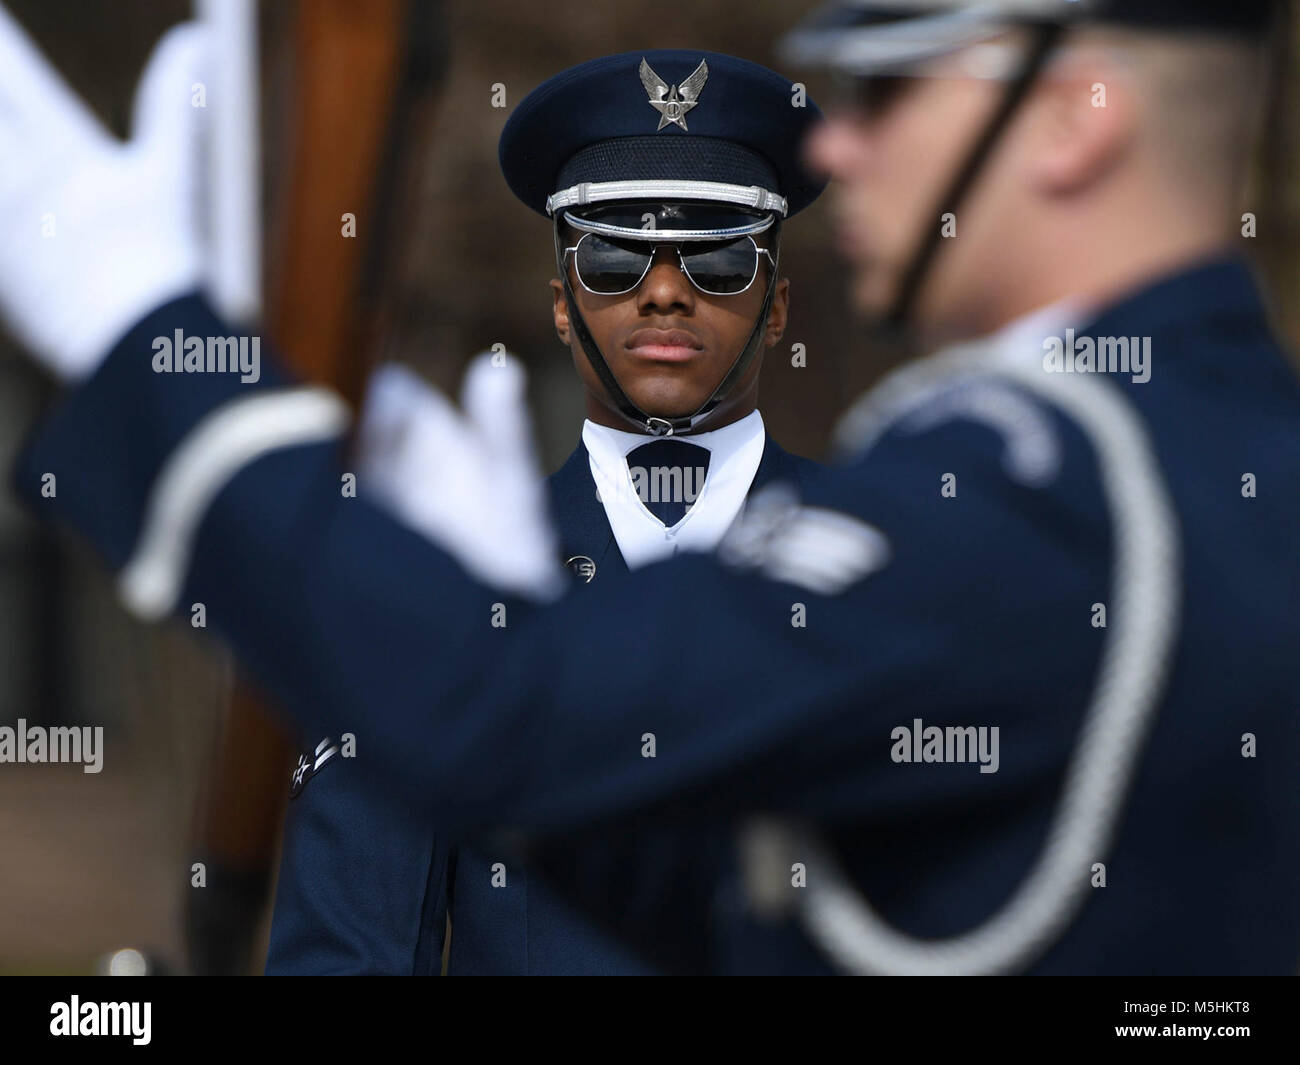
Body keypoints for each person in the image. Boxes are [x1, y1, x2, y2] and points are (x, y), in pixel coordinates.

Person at [2, 0, 1297, 975]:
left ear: (1076, 114)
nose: (841, 142)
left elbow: (497, 718)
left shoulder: (1031, 488)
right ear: (566, 303)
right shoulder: (1233, 460)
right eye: (617, 258)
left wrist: (144, 334)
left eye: (894, 84)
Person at [264, 50, 825, 975]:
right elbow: (348, 954)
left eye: (720, 257)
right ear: (562, 304)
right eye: (612, 256)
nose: (664, 289)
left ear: (776, 307)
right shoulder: (447, 584)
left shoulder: (893, 559)